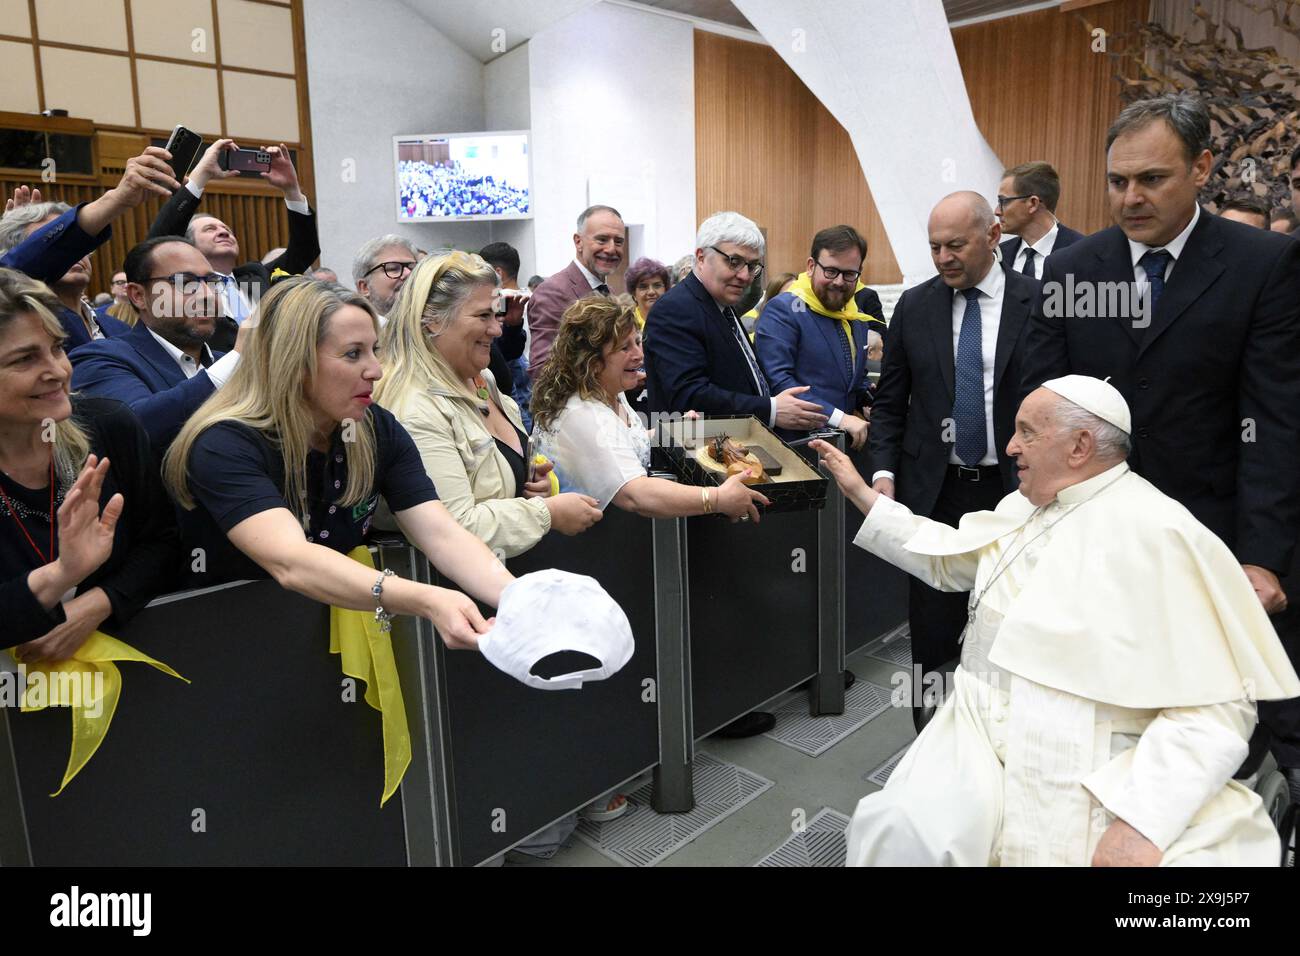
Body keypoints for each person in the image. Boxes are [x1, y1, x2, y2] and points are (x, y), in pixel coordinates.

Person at [813, 376, 1300, 866]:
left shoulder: (1163, 531)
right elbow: (944, 558)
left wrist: (1142, 822)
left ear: (1079, 446)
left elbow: (1216, 709)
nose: (1009, 446)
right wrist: (861, 493)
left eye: (1026, 432)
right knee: (898, 831)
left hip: (1102, 745)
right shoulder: (1020, 508)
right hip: (977, 727)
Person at [1022, 92, 1300, 798]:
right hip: (1097, 543)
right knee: (1107, 721)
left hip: (1211, 542)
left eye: (1152, 179)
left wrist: (1263, 556)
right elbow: (1044, 405)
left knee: (1207, 738)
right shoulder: (1075, 270)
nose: (1130, 197)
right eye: (1117, 181)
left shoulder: (1263, 265)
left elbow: (1273, 421)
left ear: (1202, 167)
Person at [162, 278, 512, 649]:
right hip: (216, 646)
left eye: (375, 351)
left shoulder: (376, 428)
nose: (376, 371)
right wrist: (427, 599)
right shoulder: (224, 444)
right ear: (294, 362)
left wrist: (520, 595)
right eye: (353, 354)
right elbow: (292, 562)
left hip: (321, 646)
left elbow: (443, 534)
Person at [869, 193, 1038, 722]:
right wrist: (882, 471)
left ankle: (1004, 735)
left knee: (1012, 618)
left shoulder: (1040, 301)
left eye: (956, 245)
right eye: (935, 247)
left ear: (993, 236)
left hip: (1015, 491)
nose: (943, 258)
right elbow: (890, 402)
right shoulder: (916, 307)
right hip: (935, 491)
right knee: (933, 623)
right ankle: (929, 736)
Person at [372, 252, 602, 558]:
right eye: (483, 316)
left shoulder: (483, 380)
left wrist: (535, 487)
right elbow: (453, 530)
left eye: (496, 315)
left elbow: (503, 478)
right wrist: (546, 513)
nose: (496, 329)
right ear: (431, 320)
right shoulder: (414, 409)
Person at [0, 269, 179, 661]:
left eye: (58, 348)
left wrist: (100, 602)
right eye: (26, 358)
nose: (58, 372)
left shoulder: (108, 425)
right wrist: (61, 576)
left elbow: (164, 542)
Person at [531, 296, 767, 521]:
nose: (639, 355)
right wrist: (716, 498)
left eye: (637, 341)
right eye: (625, 348)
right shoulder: (583, 414)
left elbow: (624, 441)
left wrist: (670, 431)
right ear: (592, 363)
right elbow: (635, 495)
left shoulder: (610, 390)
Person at [643, 211, 828, 434]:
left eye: (751, 266)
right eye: (734, 261)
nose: (745, 276)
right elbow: (689, 396)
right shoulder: (675, 309)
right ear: (701, 257)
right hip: (696, 456)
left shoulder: (720, 304)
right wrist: (770, 409)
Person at [70, 237, 246, 449]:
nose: (207, 295)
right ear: (138, 296)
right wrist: (237, 358)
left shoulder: (228, 363)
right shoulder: (99, 358)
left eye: (212, 282)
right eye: (185, 282)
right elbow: (135, 427)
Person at [148, 139, 320, 352]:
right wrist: (202, 174)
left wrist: (291, 189)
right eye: (210, 229)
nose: (223, 231)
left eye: (227, 229)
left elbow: (304, 250)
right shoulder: (182, 287)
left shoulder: (257, 275)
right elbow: (158, 242)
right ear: (189, 246)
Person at [0, 146, 181, 347]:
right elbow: (11, 273)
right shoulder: (27, 327)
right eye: (54, 243)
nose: (71, 252)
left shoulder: (120, 328)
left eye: (77, 243)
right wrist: (117, 198)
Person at [754, 225, 885, 450]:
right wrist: (841, 419)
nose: (839, 282)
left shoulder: (855, 314)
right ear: (811, 266)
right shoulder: (783, 310)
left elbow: (854, 378)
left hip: (843, 448)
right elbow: (781, 383)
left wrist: (869, 400)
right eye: (831, 271)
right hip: (797, 449)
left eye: (849, 274)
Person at [526, 205, 625, 376]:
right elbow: (543, 372)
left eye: (618, 241)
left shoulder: (607, 291)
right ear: (578, 242)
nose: (611, 249)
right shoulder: (552, 293)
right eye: (602, 240)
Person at [996, 161, 1085, 279]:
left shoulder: (1083, 253)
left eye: (1003, 201)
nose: (996, 211)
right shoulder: (999, 255)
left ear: (1033, 204)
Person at [477, 241, 530, 423]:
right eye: (483, 315)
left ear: (497, 272)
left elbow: (507, 352)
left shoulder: (504, 301)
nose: (494, 329)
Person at [352, 234, 419, 319]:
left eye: (412, 268)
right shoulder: (351, 330)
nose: (408, 273)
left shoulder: (434, 327)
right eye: (393, 268)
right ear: (364, 287)